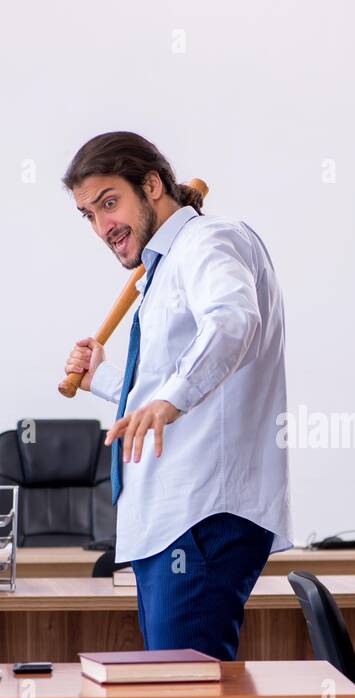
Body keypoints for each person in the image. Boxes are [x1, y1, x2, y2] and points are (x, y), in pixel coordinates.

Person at [61, 132, 291, 661]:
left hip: (201, 518)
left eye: (110, 203)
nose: (103, 227)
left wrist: (171, 400)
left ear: (153, 184)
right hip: (168, 523)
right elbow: (170, 382)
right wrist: (105, 379)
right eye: (89, 215)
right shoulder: (163, 269)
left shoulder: (209, 241)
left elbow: (234, 321)